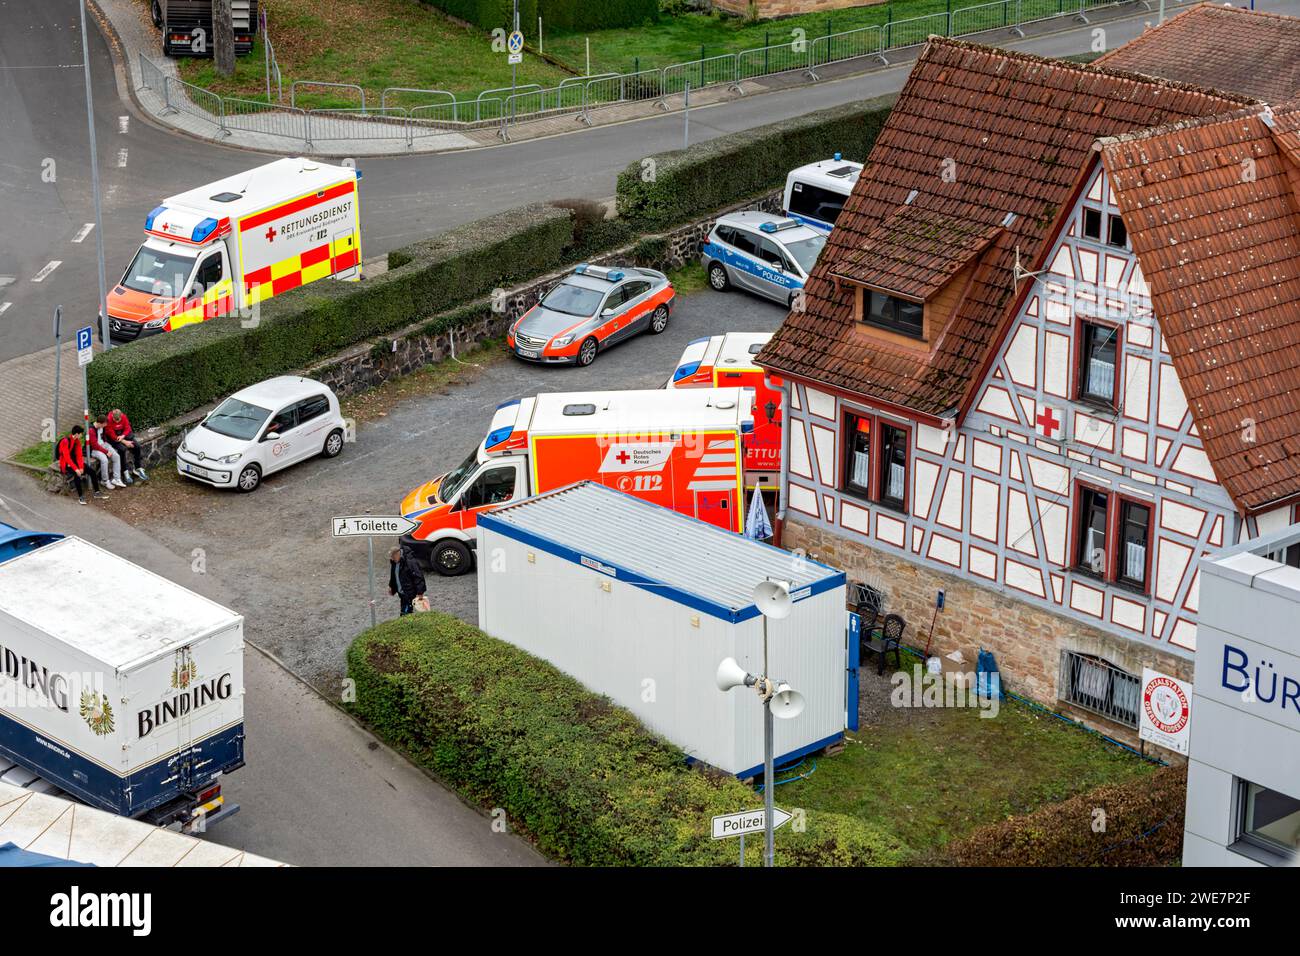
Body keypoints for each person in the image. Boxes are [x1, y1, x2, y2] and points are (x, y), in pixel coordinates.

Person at [55, 426, 107, 505]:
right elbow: (67, 457)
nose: (81, 435)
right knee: (77, 474)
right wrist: (76, 469)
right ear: (76, 434)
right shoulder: (65, 441)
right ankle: (81, 497)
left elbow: (79, 455)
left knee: (92, 471)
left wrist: (81, 467)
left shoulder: (77, 441)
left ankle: (97, 492)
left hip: (74, 461)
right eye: (81, 434)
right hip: (65, 462)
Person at [104, 408, 147, 483]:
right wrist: (125, 442)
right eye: (115, 420)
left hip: (123, 435)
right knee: (122, 449)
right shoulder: (108, 419)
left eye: (118, 420)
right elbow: (111, 434)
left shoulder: (124, 417)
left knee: (137, 446)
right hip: (113, 437)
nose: (117, 421)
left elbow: (127, 428)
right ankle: (125, 472)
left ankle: (137, 468)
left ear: (121, 416)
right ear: (112, 416)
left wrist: (123, 436)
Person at [87, 416, 125, 489]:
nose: (105, 426)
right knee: (104, 460)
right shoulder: (91, 430)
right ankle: (105, 481)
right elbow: (95, 445)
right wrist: (106, 451)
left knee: (116, 456)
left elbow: (103, 437)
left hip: (103, 445)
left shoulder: (102, 427)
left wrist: (107, 446)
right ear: (100, 423)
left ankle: (116, 479)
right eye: (104, 424)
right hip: (94, 449)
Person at [388, 546, 427, 616]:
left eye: (393, 557)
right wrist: (391, 586)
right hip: (402, 593)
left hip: (409, 593)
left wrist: (420, 592)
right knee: (406, 611)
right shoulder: (394, 562)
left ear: (397, 554)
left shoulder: (410, 562)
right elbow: (394, 576)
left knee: (405, 613)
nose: (392, 559)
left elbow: (418, 577)